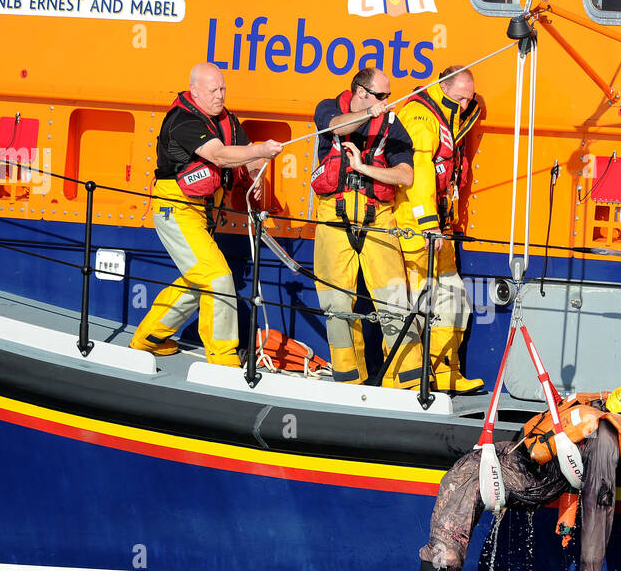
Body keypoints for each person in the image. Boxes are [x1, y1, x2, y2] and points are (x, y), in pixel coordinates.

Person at [413, 383, 621, 571]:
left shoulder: (592, 422)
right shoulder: (598, 424)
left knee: (451, 518)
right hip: (519, 471)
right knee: (451, 521)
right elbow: (598, 504)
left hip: (516, 471)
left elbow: (597, 502)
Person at [130, 63, 282, 366]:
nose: (220, 95)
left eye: (223, 89)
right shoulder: (182, 121)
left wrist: (256, 170)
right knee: (217, 278)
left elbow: (242, 151)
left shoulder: (227, 120)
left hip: (204, 213)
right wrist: (261, 151)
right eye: (213, 90)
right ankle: (223, 359)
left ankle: (148, 337)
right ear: (194, 90)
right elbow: (218, 155)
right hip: (177, 210)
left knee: (197, 279)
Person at [311, 67, 424, 388]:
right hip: (334, 217)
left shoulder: (393, 124)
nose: (387, 102)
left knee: (393, 299)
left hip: (378, 219)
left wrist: (364, 168)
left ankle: (407, 380)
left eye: (388, 96)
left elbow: (405, 176)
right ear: (361, 92)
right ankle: (348, 379)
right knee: (335, 302)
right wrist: (367, 115)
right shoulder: (328, 108)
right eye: (381, 95)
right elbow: (336, 126)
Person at [395, 66, 483, 393]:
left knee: (455, 300)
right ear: (443, 89)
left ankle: (442, 371)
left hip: (438, 231)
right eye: (460, 97)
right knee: (414, 307)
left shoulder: (450, 117)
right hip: (415, 229)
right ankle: (404, 379)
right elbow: (417, 178)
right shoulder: (420, 119)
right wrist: (427, 225)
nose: (464, 105)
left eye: (469, 99)